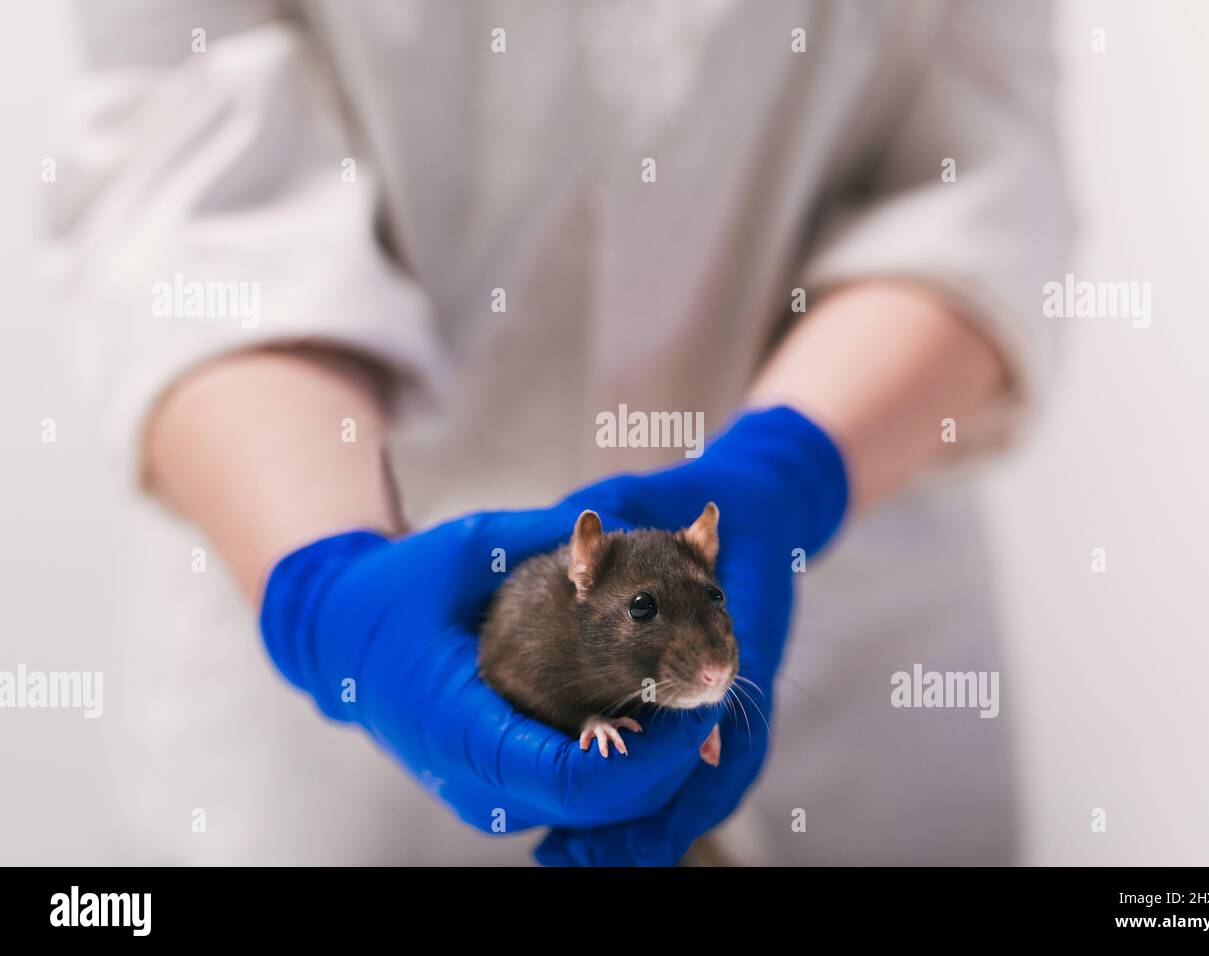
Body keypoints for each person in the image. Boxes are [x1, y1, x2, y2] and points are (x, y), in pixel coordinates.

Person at [49, 0, 1072, 865]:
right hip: (319, 534)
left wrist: (791, 468)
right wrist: (324, 590)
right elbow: (183, 169)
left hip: (859, 598)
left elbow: (976, 178)